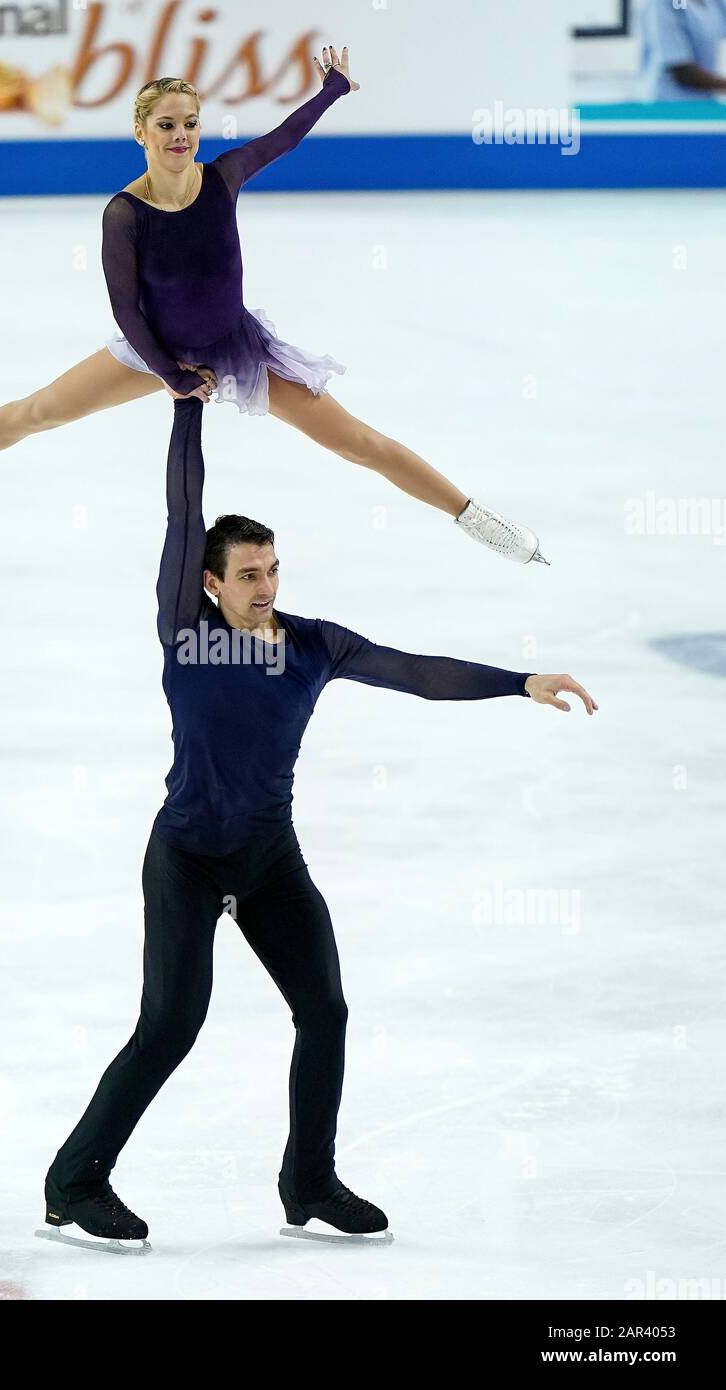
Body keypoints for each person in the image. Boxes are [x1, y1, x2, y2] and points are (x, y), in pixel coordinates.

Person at [39, 396, 596, 1253]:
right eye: (248, 573)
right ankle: (75, 1180)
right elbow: (181, 508)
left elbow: (415, 671)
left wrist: (519, 681)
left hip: (268, 858)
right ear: (210, 582)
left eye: (272, 569)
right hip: (186, 856)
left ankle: (309, 1180)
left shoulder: (312, 646)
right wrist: (187, 410)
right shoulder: (186, 634)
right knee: (171, 1026)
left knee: (325, 1010)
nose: (266, 586)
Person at [0, 44, 547, 566]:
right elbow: (127, 311)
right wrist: (171, 374)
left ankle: (476, 518)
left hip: (237, 348)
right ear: (141, 133)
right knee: (40, 411)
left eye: (191, 123)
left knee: (355, 441)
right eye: (168, 125)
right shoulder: (125, 213)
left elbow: (283, 139)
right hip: (153, 351)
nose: (182, 136)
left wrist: (331, 89)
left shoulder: (223, 178)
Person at [638, 0, 726, 101]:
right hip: (667, 103)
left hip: (702, 102)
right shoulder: (663, 3)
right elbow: (681, 69)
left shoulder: (714, 3)